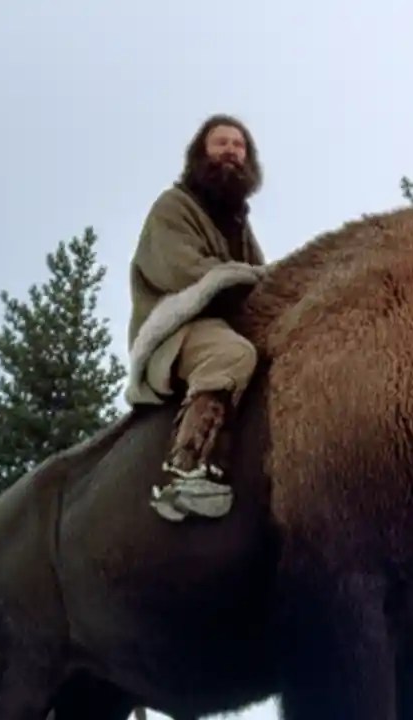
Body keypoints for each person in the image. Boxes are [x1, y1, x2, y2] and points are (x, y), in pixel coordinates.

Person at [123, 114, 269, 522]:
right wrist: (245, 276)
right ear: (199, 154)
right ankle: (185, 470)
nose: (231, 152)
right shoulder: (174, 207)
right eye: (220, 143)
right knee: (233, 356)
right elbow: (182, 270)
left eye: (239, 146)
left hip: (220, 322)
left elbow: (262, 280)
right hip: (175, 329)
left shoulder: (237, 219)